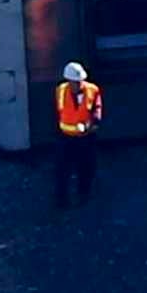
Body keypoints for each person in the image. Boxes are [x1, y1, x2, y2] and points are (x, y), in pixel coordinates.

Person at [53, 59, 106, 209]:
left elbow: (97, 109)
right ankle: (61, 199)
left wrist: (92, 123)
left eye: (79, 81)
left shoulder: (92, 90)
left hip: (86, 137)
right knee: (62, 170)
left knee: (86, 168)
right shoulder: (61, 91)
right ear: (68, 81)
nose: (78, 84)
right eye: (74, 82)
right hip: (66, 138)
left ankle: (84, 195)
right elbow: (56, 112)